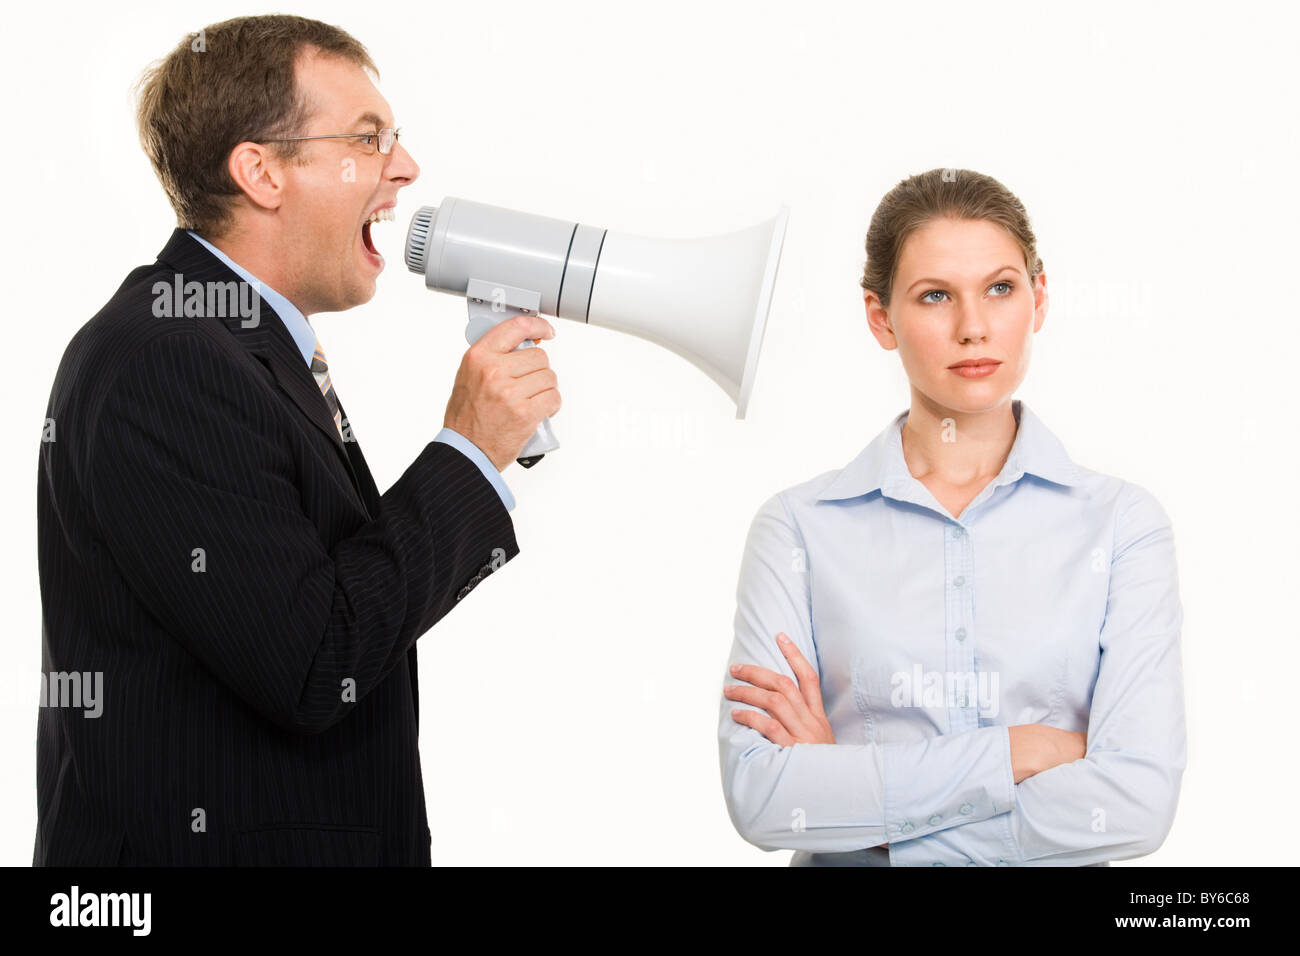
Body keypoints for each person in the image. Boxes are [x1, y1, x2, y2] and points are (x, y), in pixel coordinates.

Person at [34, 15, 560, 865]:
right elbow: (316, 659)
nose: (407, 167)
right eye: (367, 137)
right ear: (262, 171)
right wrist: (465, 451)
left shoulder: (235, 343)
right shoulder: (172, 361)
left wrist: (479, 455)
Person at [717, 168, 1185, 866]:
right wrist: (1018, 753)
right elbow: (763, 797)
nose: (973, 328)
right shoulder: (800, 529)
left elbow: (1134, 807)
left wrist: (860, 802)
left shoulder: (1122, 527)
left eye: (1000, 288)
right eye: (935, 296)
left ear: (1039, 298)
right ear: (881, 317)